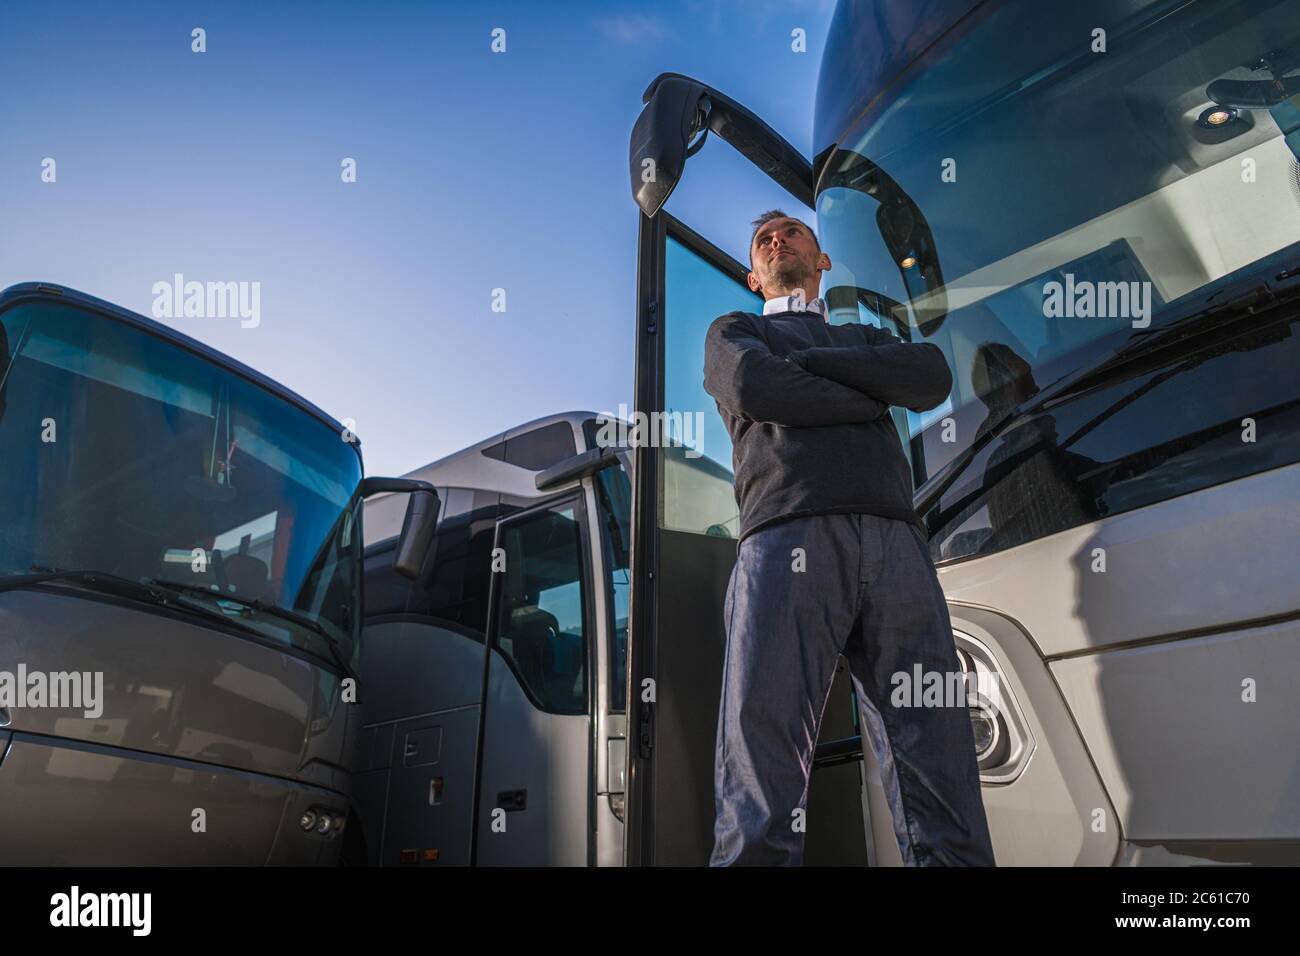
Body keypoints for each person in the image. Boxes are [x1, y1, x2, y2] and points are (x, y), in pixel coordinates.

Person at [702, 210, 995, 866]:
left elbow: (928, 377)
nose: (779, 240)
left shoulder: (864, 334)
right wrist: (866, 391)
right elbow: (753, 383)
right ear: (754, 275)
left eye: (793, 232)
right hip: (786, 539)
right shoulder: (735, 332)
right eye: (765, 239)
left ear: (822, 260)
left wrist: (805, 365)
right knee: (764, 760)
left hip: (898, 545)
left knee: (939, 758)